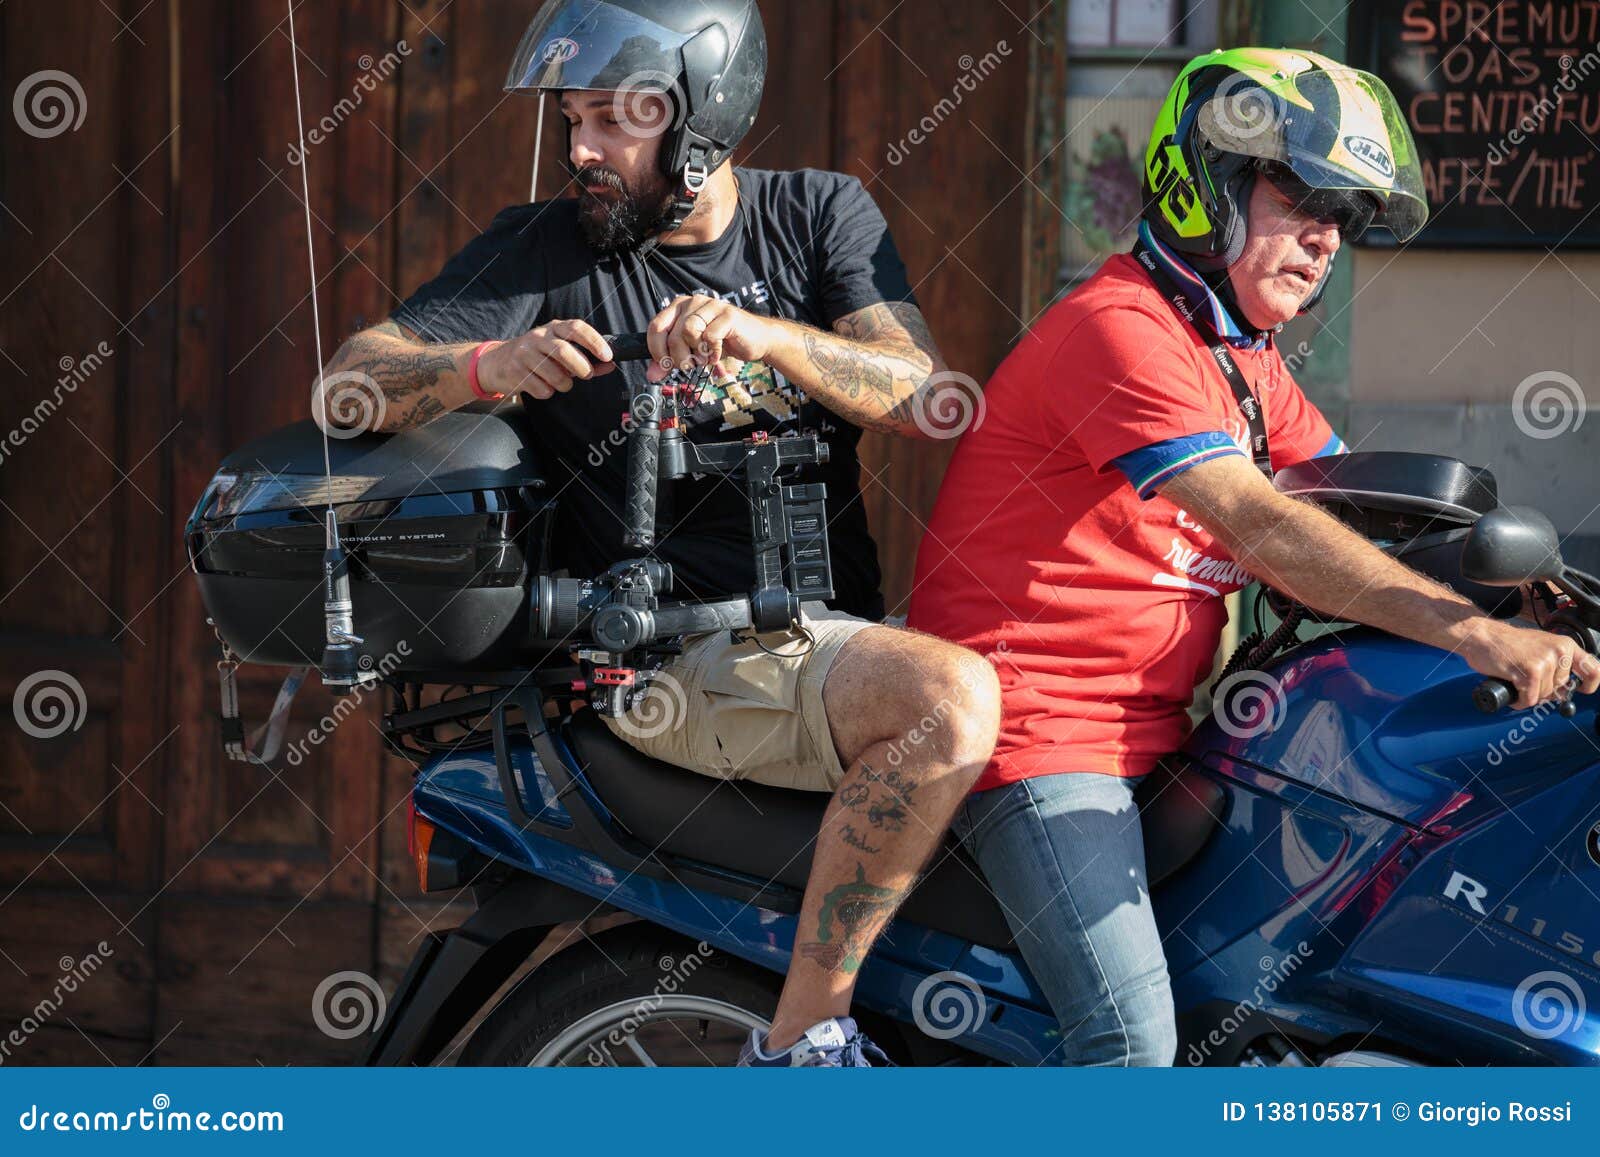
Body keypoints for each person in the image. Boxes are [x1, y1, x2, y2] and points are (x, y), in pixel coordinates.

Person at [317, 0, 999, 1067]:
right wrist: (483, 366)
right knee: (946, 700)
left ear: (701, 120)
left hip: (817, 646)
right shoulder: (540, 250)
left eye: (611, 121)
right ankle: (803, 1047)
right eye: (573, 119)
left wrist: (769, 336)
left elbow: (916, 390)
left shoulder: (819, 217)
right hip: (670, 660)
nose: (581, 147)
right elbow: (346, 387)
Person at [907, 47, 1600, 1065]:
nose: (1325, 238)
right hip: (1040, 735)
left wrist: (1543, 595)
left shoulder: (1240, 359)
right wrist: (1468, 630)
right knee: (1129, 1044)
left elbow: (1352, 508)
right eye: (1304, 193)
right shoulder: (1119, 330)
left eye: (1346, 217)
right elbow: (1264, 526)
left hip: (1156, 733)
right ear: (1209, 183)